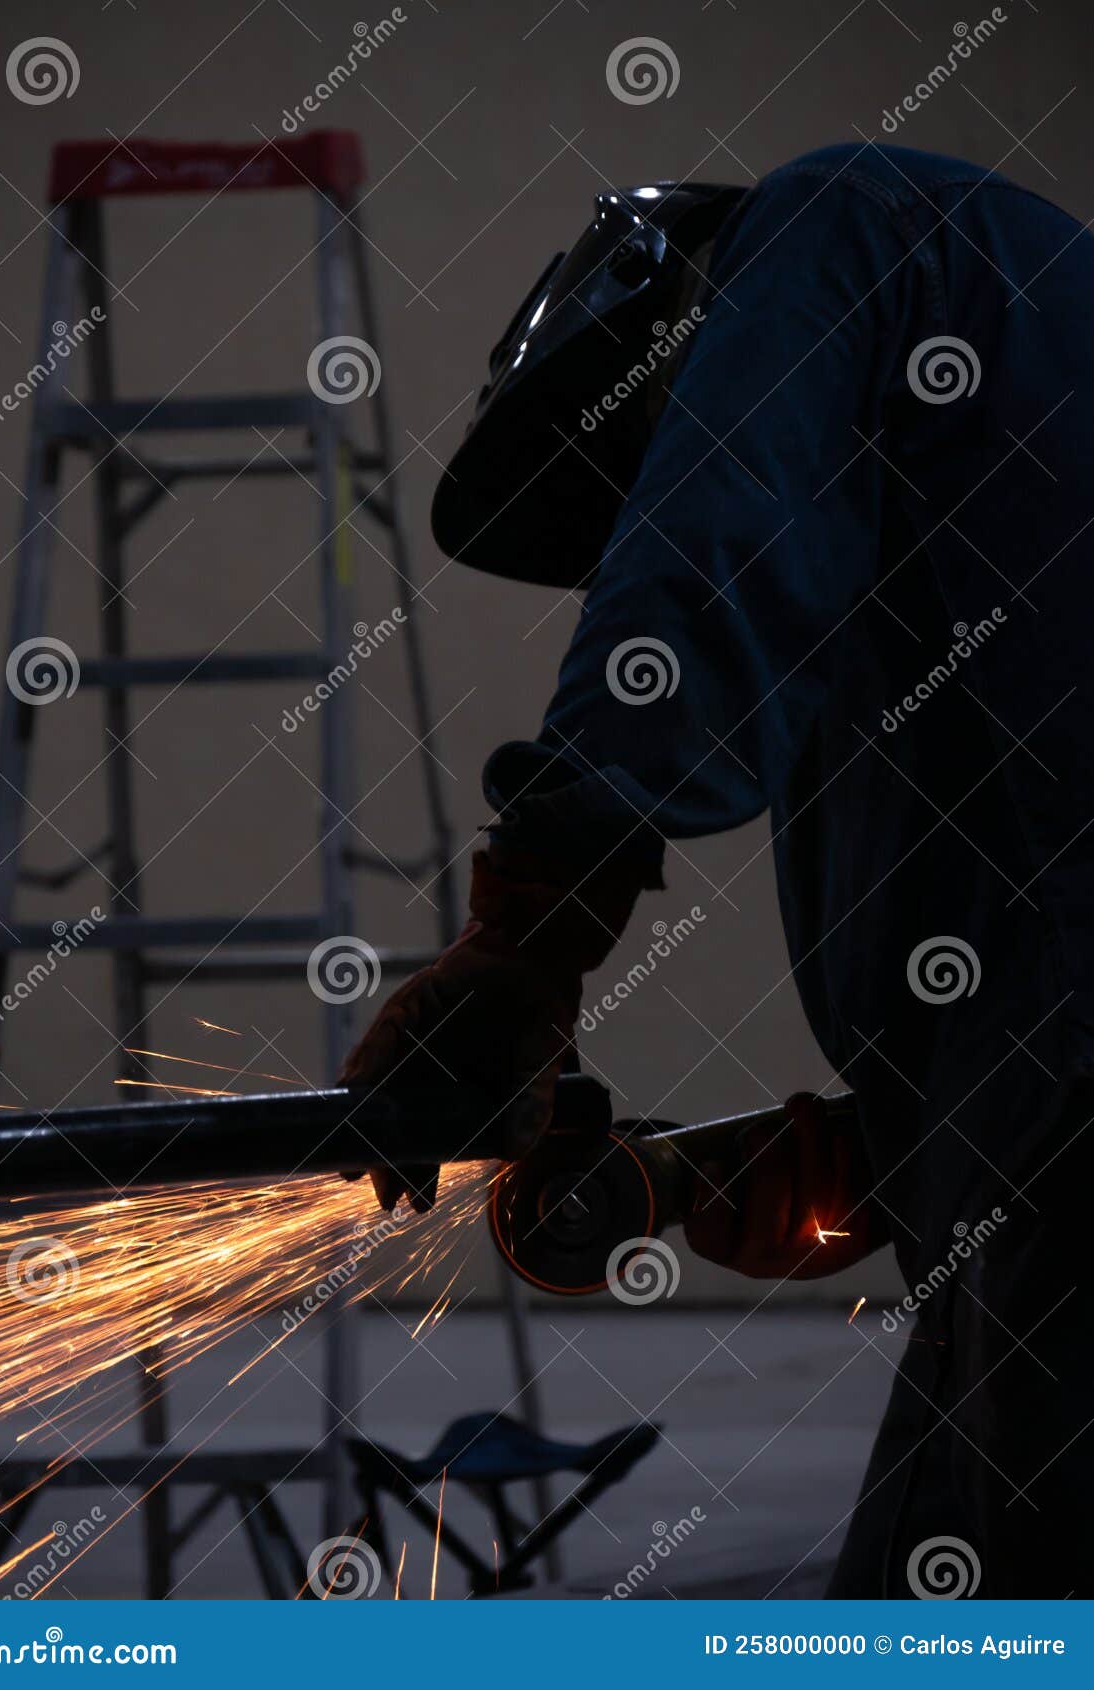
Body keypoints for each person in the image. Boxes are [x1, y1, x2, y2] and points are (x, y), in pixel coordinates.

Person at [341, 143, 1094, 1598]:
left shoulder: (855, 227)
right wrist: (688, 1177)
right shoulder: (956, 553)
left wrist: (527, 941)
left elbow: (711, 552)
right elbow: (1003, 1083)